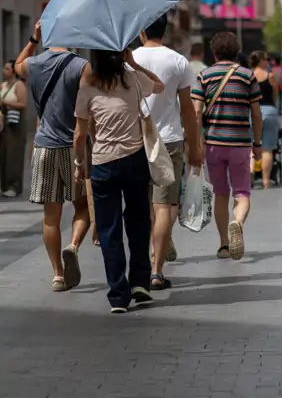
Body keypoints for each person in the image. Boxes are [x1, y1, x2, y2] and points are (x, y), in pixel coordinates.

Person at [74, 49, 165, 313]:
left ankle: (118, 294)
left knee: (108, 229)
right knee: (138, 222)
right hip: (135, 161)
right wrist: (134, 63)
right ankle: (140, 283)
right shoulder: (134, 79)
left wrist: (81, 164)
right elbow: (159, 85)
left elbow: (80, 136)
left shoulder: (87, 89)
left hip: (103, 164)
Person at [15, 23, 90, 291]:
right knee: (83, 206)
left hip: (44, 146)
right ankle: (73, 245)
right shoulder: (81, 66)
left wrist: (33, 38)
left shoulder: (33, 64)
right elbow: (88, 105)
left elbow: (17, 66)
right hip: (73, 147)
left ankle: (58, 274)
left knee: (51, 216)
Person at [133, 14, 203, 290]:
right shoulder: (178, 61)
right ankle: (156, 269)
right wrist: (194, 146)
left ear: (141, 32)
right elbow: (188, 110)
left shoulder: (130, 60)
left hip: (137, 140)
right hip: (170, 141)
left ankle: (144, 261)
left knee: (144, 204)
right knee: (164, 206)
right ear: (166, 31)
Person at [192, 32, 262, 261]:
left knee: (220, 194)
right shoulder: (247, 76)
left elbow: (195, 113)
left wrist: (196, 144)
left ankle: (223, 244)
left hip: (213, 144)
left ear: (214, 52)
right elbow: (256, 113)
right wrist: (258, 143)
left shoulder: (204, 76)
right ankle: (237, 223)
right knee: (242, 193)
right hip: (240, 144)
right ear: (237, 52)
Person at [249, 51, 281, 188]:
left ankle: (250, 177)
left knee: (251, 148)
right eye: (266, 59)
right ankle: (266, 180)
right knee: (267, 149)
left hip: (252, 112)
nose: (268, 62)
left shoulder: (248, 76)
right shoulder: (270, 76)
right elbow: (275, 96)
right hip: (269, 111)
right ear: (261, 61)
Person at [0, 59, 28, 197]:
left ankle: (14, 186)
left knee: (13, 154)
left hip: (15, 123)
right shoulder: (2, 85)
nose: (4, 71)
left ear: (13, 71)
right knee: (3, 154)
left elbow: (23, 104)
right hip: (3, 122)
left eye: (6, 69)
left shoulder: (19, 85)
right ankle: (4, 185)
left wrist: (5, 102)